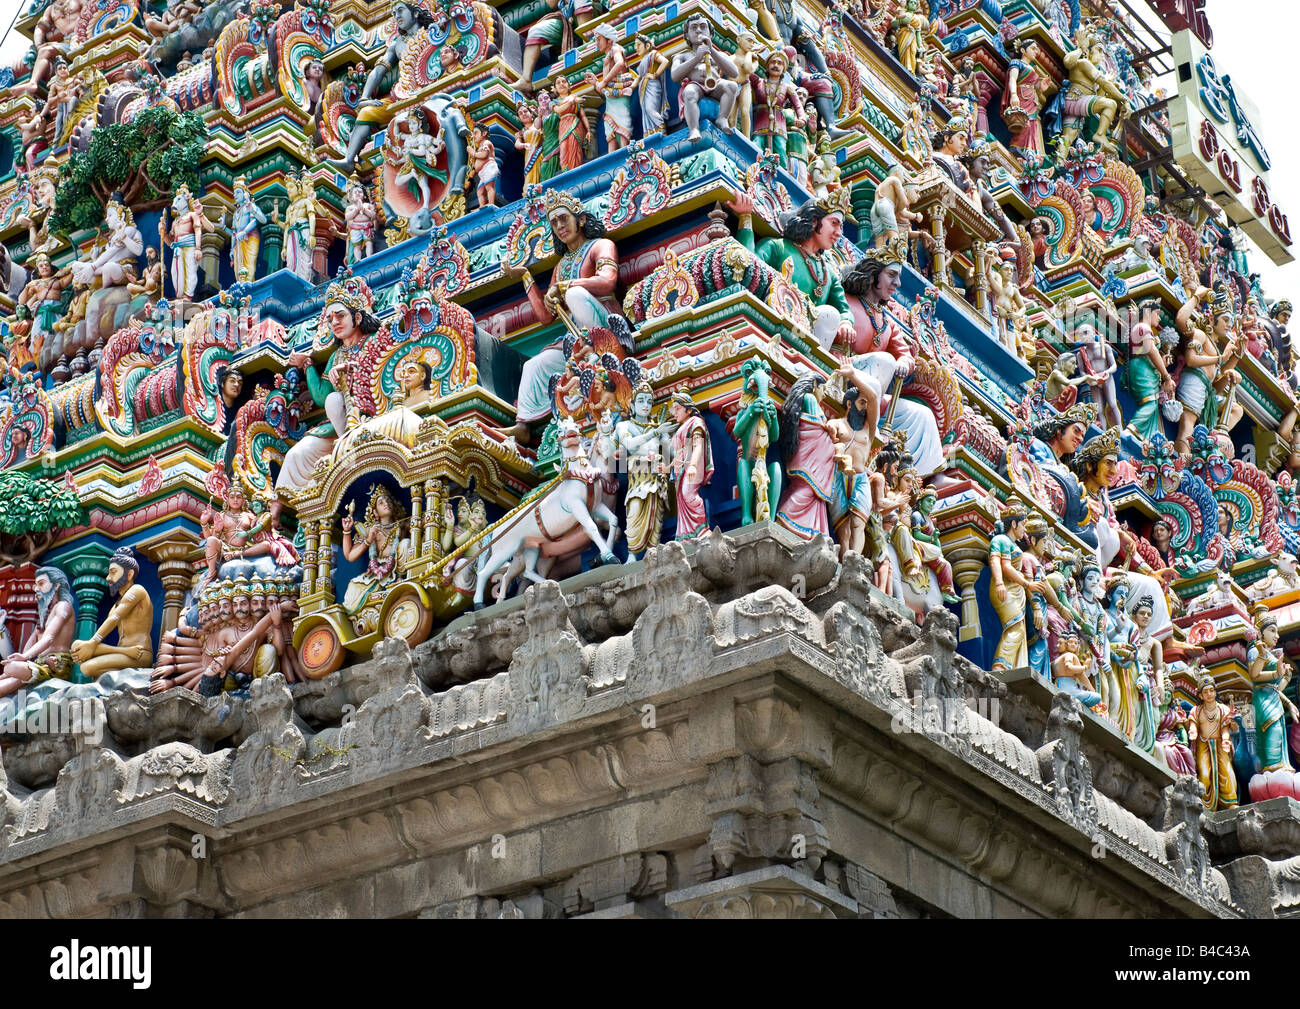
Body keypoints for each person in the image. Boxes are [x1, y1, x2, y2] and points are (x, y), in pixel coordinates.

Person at [498, 190, 621, 444]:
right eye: (554, 223)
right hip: (574, 339)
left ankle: (596, 360)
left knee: (576, 294)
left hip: (603, 327)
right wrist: (525, 276)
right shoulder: (561, 265)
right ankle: (524, 424)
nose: (560, 226)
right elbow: (546, 317)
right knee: (533, 366)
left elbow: (608, 282)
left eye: (564, 218)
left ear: (581, 220)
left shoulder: (600, 246)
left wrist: (566, 287)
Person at [277, 275, 381, 493]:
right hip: (337, 425)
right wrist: (307, 364)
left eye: (340, 316)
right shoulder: (335, 357)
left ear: (358, 318)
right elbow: (322, 397)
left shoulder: (372, 342)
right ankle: (278, 512)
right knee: (297, 455)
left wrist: (350, 368)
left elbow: (378, 368)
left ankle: (349, 450)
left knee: (336, 399)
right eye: (330, 318)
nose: (334, 322)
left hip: (369, 418)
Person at [732, 194, 856, 350]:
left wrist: (845, 322)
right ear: (814, 221)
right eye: (834, 223)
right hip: (773, 326)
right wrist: (745, 217)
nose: (839, 233)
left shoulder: (828, 273)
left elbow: (844, 309)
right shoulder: (778, 247)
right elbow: (748, 267)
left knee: (830, 315)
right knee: (828, 314)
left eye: (841, 227)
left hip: (809, 343)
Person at [70, 547, 155, 677]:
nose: (108, 577)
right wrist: (89, 646)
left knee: (87, 668)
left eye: (113, 572)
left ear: (130, 574)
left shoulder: (137, 590)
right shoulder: (116, 603)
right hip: (124, 652)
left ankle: (123, 658)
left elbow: (114, 618)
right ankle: (126, 652)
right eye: (109, 573)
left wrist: (93, 643)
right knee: (77, 645)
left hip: (140, 653)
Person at [776, 372, 837, 540]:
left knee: (813, 495)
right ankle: (784, 517)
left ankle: (812, 532)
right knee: (807, 490)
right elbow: (817, 427)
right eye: (823, 388)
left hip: (810, 457)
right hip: (810, 459)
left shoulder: (807, 401)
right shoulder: (810, 399)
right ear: (815, 385)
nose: (825, 393)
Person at [614, 382, 670, 559]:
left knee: (656, 514)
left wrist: (668, 435)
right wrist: (655, 432)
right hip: (637, 477)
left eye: (649, 401)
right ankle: (632, 554)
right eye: (641, 401)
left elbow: (668, 453)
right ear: (632, 405)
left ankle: (652, 553)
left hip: (656, 477)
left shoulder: (658, 427)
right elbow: (629, 444)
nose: (645, 405)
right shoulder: (624, 426)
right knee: (635, 510)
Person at [0, 567, 77, 697]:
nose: (36, 589)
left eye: (41, 583)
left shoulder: (63, 606)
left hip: (57, 665)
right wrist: (7, 673)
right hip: (39, 665)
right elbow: (27, 649)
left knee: (12, 668)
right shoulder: (44, 616)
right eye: (35, 585)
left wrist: (24, 658)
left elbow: (49, 638)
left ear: (56, 585)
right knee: (10, 669)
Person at [341, 485, 412, 620]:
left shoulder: (402, 526)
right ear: (375, 512)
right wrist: (349, 532)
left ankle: (400, 581)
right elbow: (350, 556)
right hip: (376, 572)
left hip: (398, 571)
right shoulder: (369, 529)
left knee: (406, 544)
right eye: (381, 502)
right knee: (352, 589)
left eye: (388, 501)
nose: (386, 504)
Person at [670, 14, 739, 142]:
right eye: (693, 28)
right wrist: (697, 58)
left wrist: (712, 50)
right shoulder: (682, 56)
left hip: (715, 84)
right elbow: (674, 75)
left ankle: (722, 118)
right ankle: (694, 129)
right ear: (687, 35)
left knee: (731, 86)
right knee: (689, 92)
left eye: (703, 27)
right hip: (696, 85)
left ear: (710, 34)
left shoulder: (719, 54)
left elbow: (734, 73)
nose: (698, 30)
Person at [1125, 299, 1175, 441]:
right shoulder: (1142, 327)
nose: (1159, 318)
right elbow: (1151, 351)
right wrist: (1166, 376)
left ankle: (1144, 440)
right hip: (1141, 369)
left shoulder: (1144, 329)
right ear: (1148, 312)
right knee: (1150, 404)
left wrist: (1162, 364)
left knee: (1152, 404)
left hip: (1145, 368)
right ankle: (1130, 432)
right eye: (1157, 313)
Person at [1188, 676, 1238, 809]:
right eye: (1205, 692)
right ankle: (1205, 803)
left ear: (1216, 692)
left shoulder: (1223, 709)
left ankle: (1230, 802)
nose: (1209, 694)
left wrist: (1226, 739)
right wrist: (1192, 731)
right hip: (1203, 745)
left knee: (1227, 772)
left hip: (1221, 744)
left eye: (1211, 690)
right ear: (1200, 695)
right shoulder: (1196, 710)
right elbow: (1193, 725)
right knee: (1204, 774)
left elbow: (1226, 729)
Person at [669, 392, 713, 540]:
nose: (674, 413)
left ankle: (702, 528)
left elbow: (698, 445)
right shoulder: (679, 429)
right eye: (673, 409)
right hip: (680, 468)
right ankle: (686, 535)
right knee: (681, 499)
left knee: (689, 494)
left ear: (688, 410)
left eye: (677, 408)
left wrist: (693, 465)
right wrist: (667, 468)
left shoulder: (695, 422)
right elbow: (678, 455)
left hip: (692, 464)